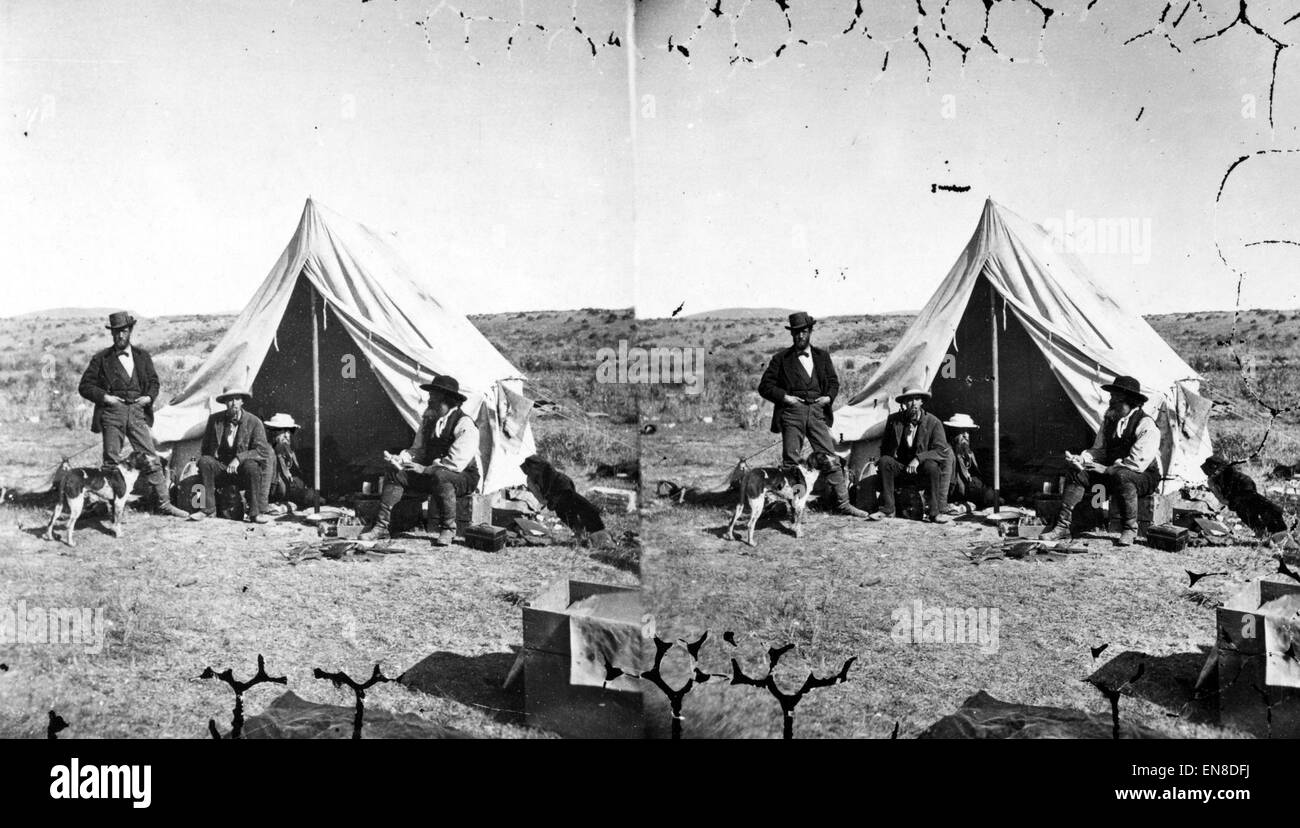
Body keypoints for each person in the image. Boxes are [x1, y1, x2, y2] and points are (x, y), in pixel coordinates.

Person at [77, 311, 191, 519]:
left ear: (130, 331)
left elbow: (154, 383)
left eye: (124, 331)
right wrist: (105, 398)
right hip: (112, 414)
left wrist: (148, 397)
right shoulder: (101, 359)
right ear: (112, 334)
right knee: (111, 462)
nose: (120, 336)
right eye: (117, 332)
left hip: (138, 413)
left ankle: (164, 504)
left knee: (151, 458)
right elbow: (84, 386)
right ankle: (113, 509)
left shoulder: (142, 357)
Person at [757, 311, 871, 518]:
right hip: (792, 413)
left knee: (830, 459)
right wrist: (785, 398)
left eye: (804, 332)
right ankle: (796, 507)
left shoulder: (822, 356)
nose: (800, 336)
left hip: (817, 412)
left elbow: (834, 382)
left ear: (810, 332)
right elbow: (764, 387)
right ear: (792, 335)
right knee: (791, 464)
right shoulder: (781, 359)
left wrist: (828, 397)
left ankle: (843, 504)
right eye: (796, 333)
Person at [360, 373, 480, 546]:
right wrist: (401, 458)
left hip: (462, 476)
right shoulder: (429, 420)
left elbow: (455, 463)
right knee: (396, 473)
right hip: (432, 473)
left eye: (434, 398)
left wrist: (424, 469)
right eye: (430, 396)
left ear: (447, 401)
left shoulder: (464, 424)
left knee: (442, 476)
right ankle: (381, 527)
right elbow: (418, 450)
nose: (429, 401)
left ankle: (448, 529)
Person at [1041, 375, 1162, 547]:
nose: (1111, 401)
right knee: (1077, 473)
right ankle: (1062, 527)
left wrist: (1105, 470)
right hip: (1113, 472)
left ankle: (1129, 528)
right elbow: (1099, 450)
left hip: (1143, 477)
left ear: (1130, 402)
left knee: (1123, 476)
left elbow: (1137, 464)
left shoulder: (1146, 425)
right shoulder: (1109, 420)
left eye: (1116, 399)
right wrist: (1082, 459)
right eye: (1111, 397)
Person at [193, 386, 274, 523]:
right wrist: (215, 461)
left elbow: (262, 451)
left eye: (237, 399)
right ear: (225, 402)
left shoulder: (254, 422)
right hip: (222, 468)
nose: (234, 403)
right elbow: (206, 448)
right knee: (204, 461)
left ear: (242, 401)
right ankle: (207, 509)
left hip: (242, 472)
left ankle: (255, 513)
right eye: (230, 400)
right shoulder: (215, 420)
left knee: (252, 466)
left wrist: (239, 458)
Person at [873, 387, 952, 523]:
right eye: (909, 400)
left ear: (922, 402)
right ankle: (887, 509)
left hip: (921, 472)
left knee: (932, 466)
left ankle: (934, 513)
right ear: (904, 403)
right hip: (901, 469)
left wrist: (918, 458)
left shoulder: (933, 422)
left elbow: (941, 451)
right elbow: (885, 448)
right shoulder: (894, 420)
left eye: (917, 399)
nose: (913, 403)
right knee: (885, 461)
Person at [262, 413, 320, 514]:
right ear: (273, 432)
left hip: (287, 494)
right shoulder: (267, 451)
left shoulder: (288, 451)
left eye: (288, 432)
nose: (287, 435)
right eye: (282, 431)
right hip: (272, 496)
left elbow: (295, 473)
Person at [943, 413, 992, 513]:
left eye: (967, 431)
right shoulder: (948, 452)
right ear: (953, 433)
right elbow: (947, 483)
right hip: (957, 493)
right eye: (962, 431)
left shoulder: (968, 451)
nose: (966, 435)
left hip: (969, 489)